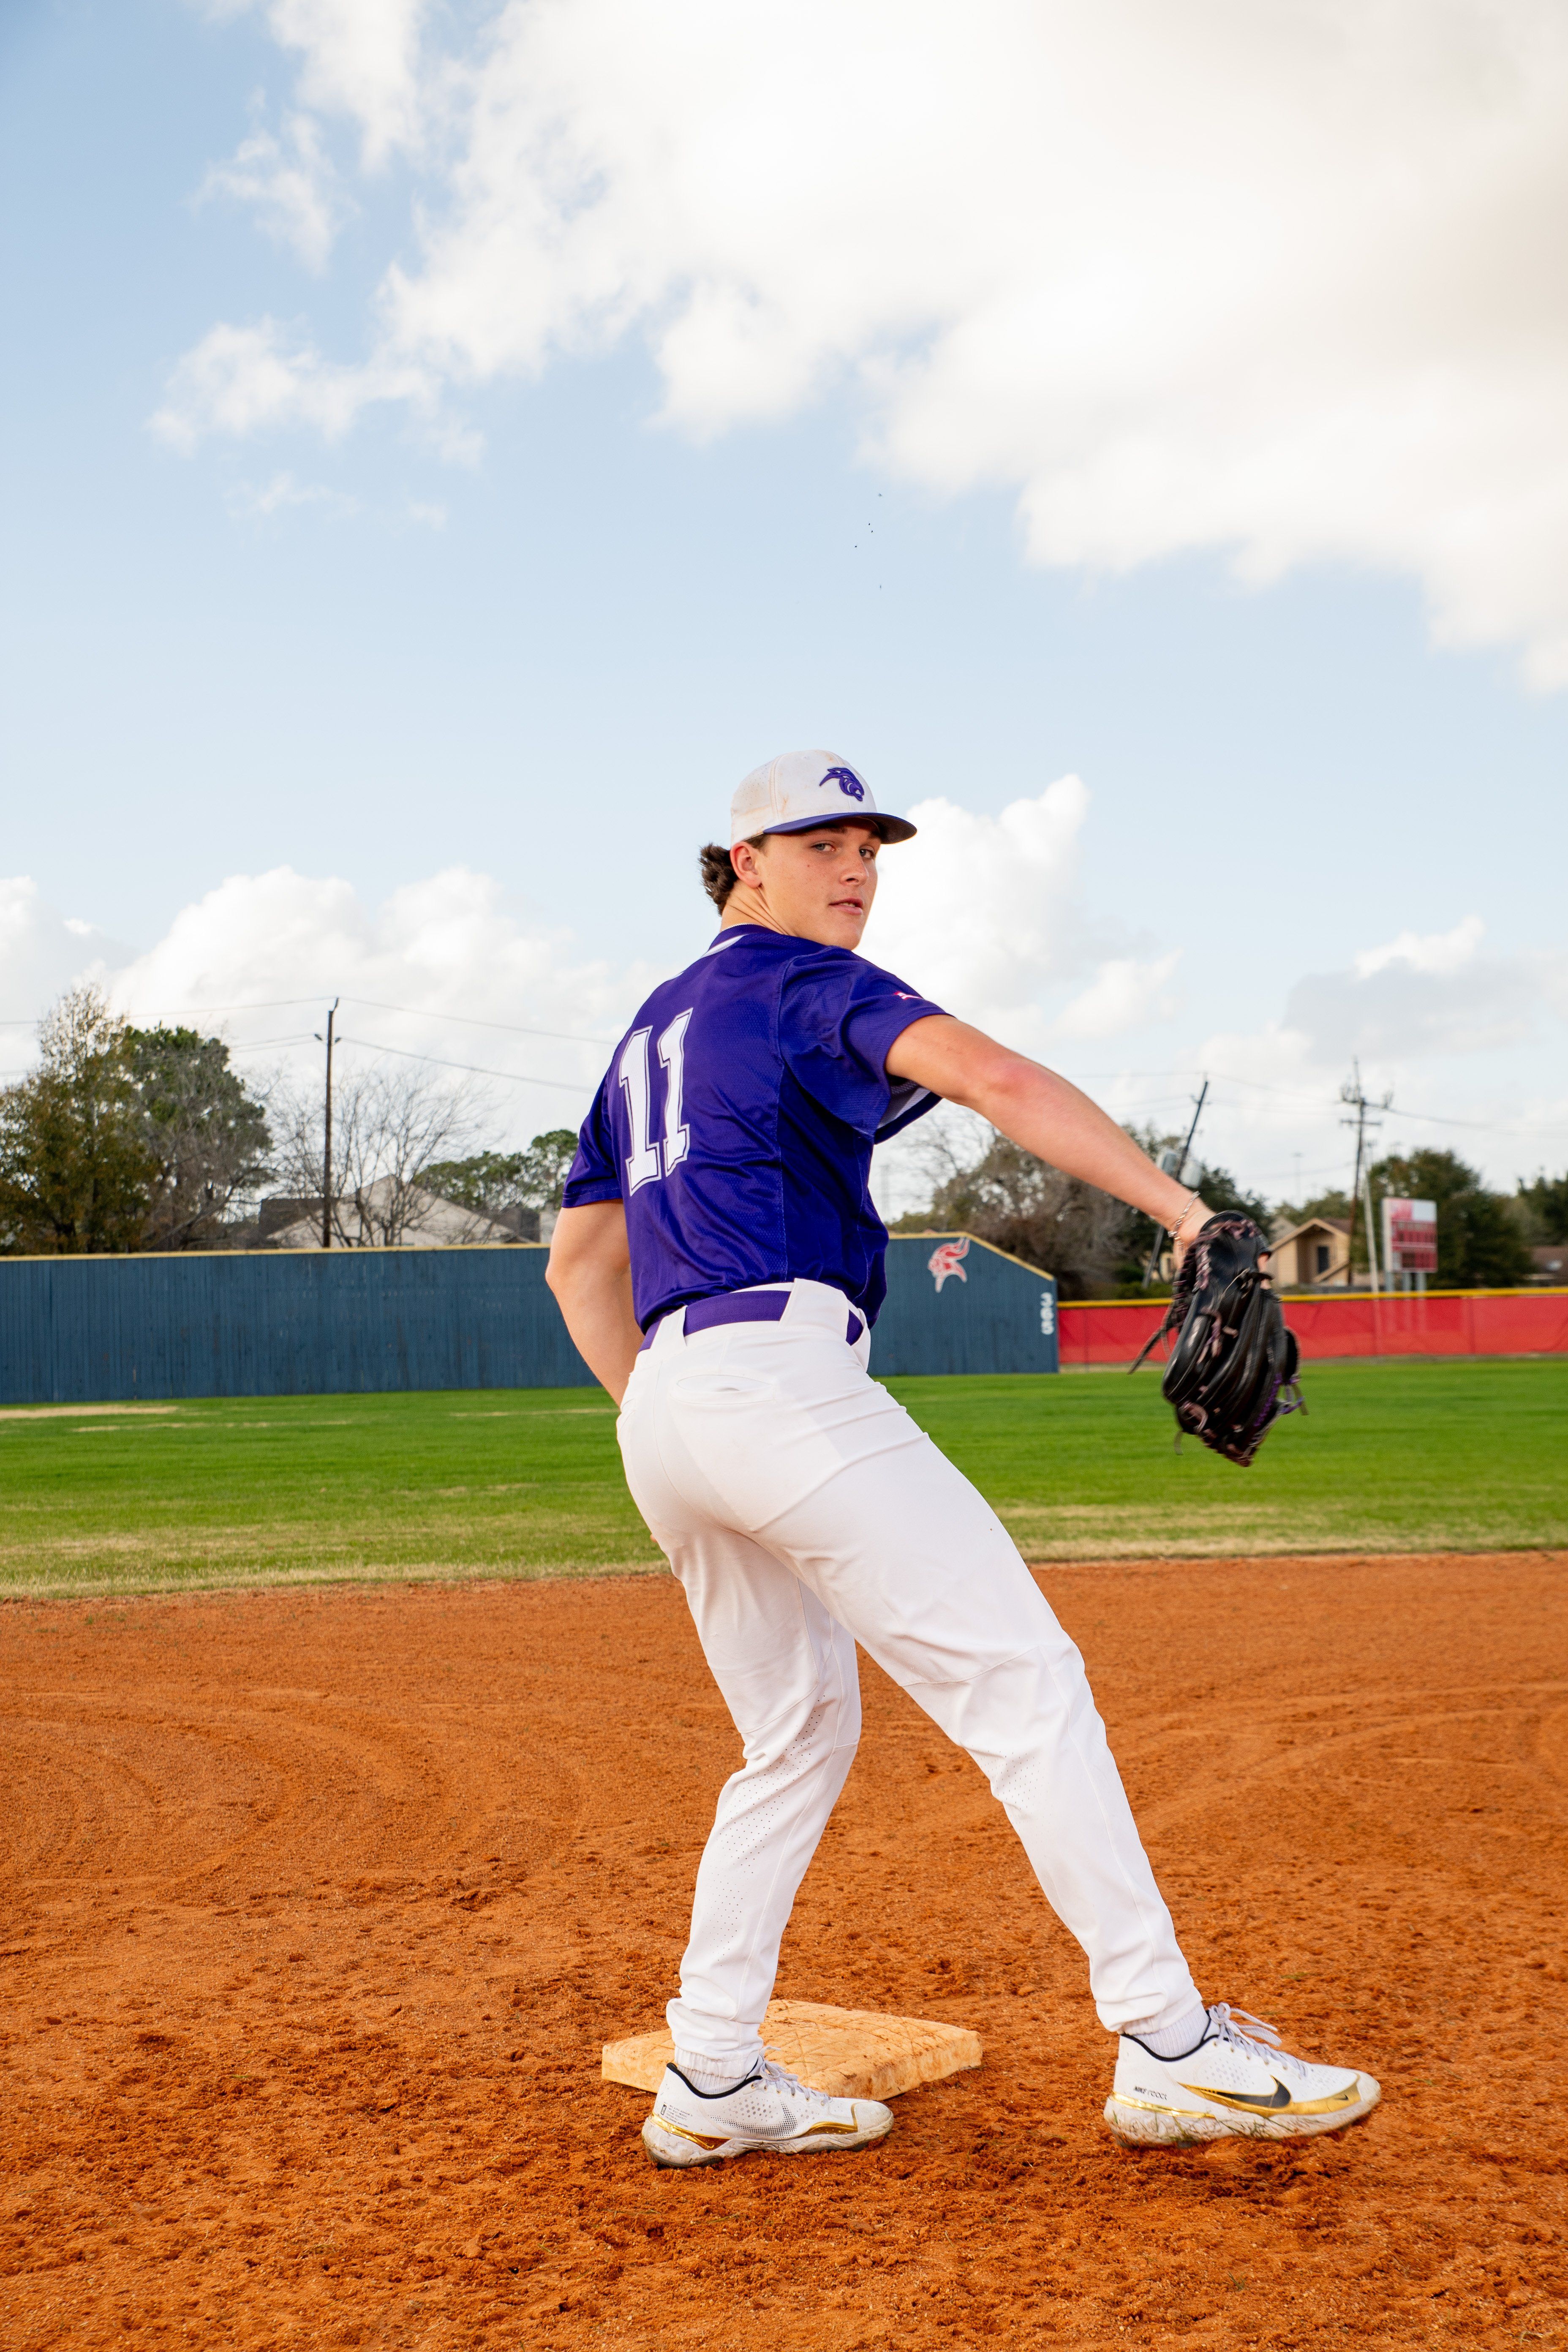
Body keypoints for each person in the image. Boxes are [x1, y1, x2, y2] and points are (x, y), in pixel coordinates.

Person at [547, 749, 1378, 2169]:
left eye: (870, 848)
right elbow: (991, 1076)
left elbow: (578, 1267)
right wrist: (1188, 1217)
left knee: (794, 1738)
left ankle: (715, 2071)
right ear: (744, 863)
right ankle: (1172, 2046)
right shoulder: (805, 981)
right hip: (779, 1379)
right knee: (1024, 1683)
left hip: (672, 1405)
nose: (856, 870)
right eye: (822, 845)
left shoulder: (648, 1037)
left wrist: (669, 1415)